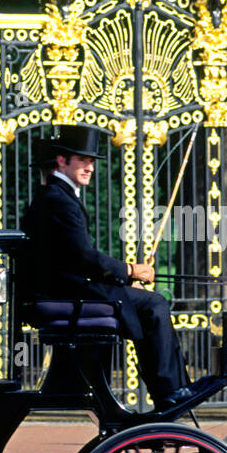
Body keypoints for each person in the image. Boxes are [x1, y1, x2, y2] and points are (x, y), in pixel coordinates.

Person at [21, 125, 193, 411]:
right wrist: (130, 271)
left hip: (66, 285)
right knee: (155, 304)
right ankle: (169, 391)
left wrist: (124, 282)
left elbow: (76, 258)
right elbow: (84, 258)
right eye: (82, 160)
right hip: (64, 290)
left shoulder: (58, 197)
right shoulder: (56, 199)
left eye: (91, 162)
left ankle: (171, 388)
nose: (89, 167)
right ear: (62, 161)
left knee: (147, 301)